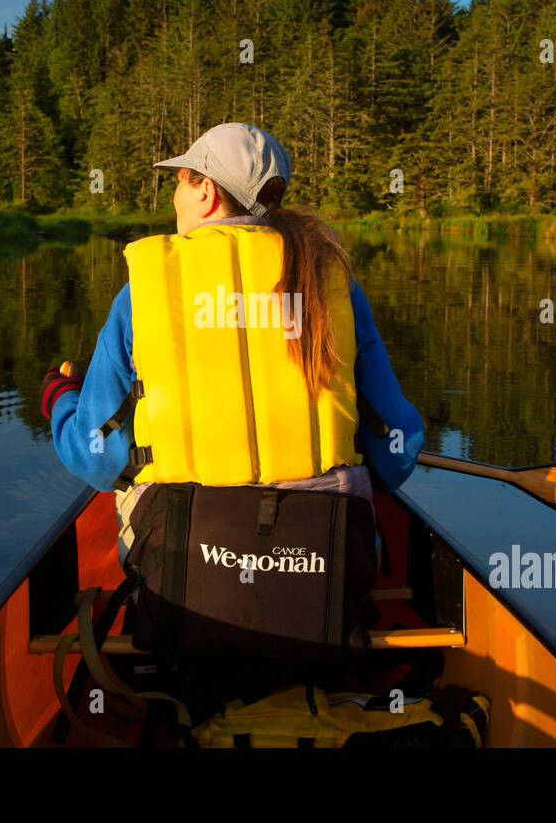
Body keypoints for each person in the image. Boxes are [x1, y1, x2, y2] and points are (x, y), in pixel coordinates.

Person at [39, 122, 423, 566]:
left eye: (181, 180)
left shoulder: (144, 293)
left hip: (185, 559)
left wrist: (61, 400)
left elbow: (96, 459)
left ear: (207, 193)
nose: (175, 195)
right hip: (324, 558)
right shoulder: (331, 283)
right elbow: (397, 454)